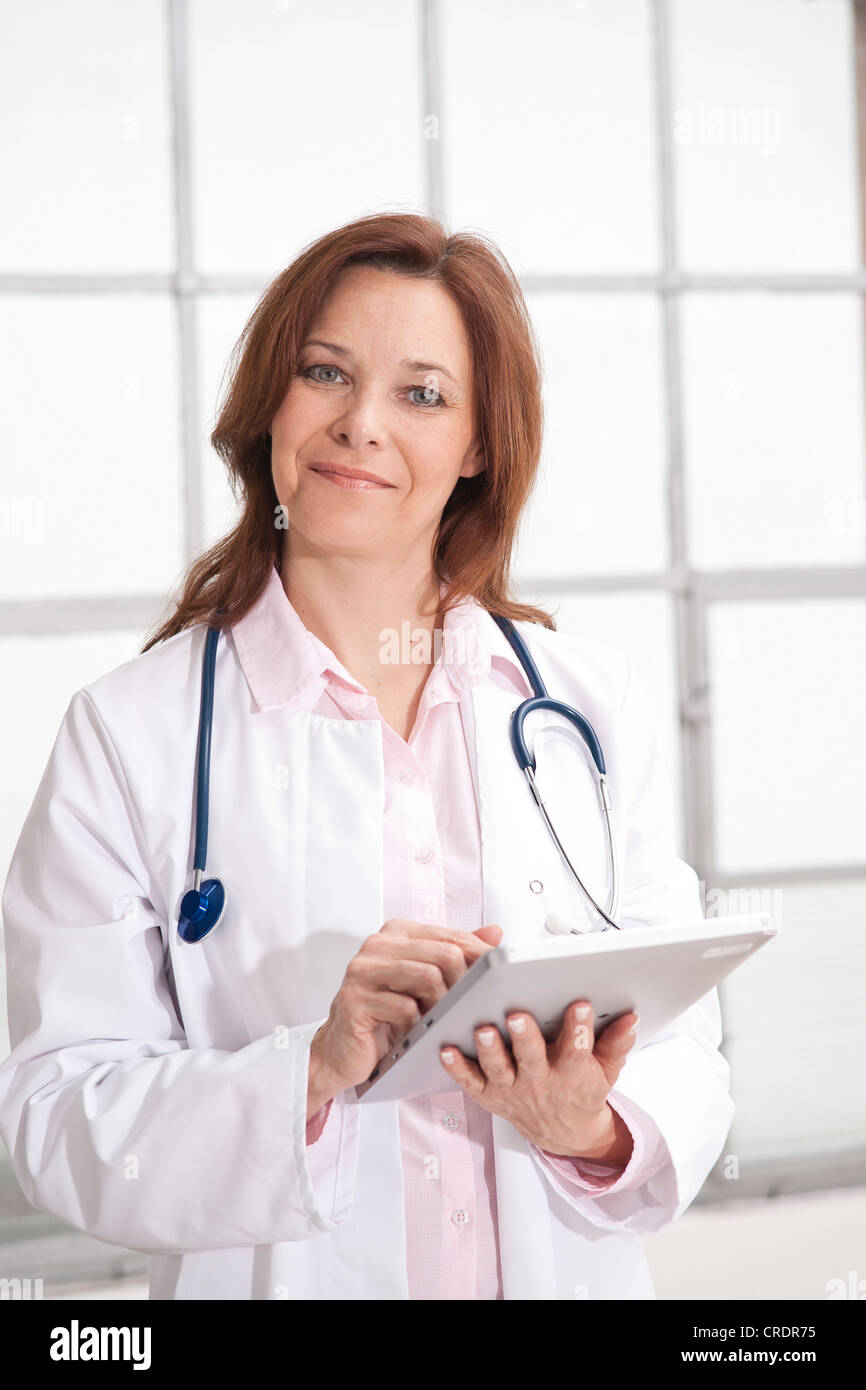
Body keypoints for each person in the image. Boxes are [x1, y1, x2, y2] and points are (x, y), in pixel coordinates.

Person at [0, 212, 733, 1300]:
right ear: (270, 407)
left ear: (479, 446)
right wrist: (311, 1065)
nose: (359, 424)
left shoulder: (585, 709)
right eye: (324, 373)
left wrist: (589, 1123)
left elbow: (681, 1048)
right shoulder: (132, 735)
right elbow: (58, 1114)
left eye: (421, 394)